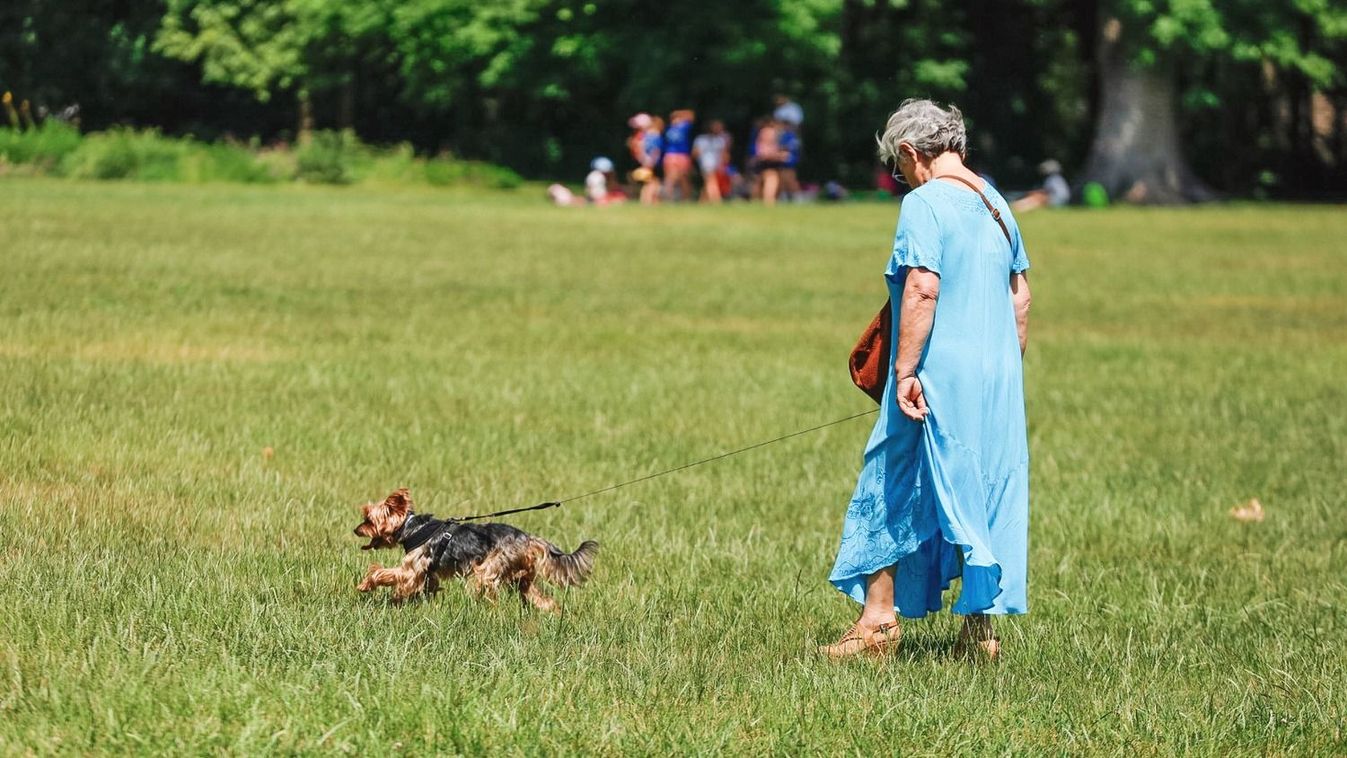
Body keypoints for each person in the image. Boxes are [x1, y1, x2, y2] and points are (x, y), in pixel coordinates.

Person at [821, 99, 1033, 661]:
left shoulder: (924, 202)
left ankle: (877, 624)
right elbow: (1020, 297)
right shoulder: (996, 202)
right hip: (997, 376)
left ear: (912, 152)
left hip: (937, 370)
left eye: (899, 167)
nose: (903, 177)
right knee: (980, 488)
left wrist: (905, 370)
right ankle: (980, 635)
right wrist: (1002, 370)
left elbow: (922, 286)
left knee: (891, 477)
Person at [692, 119, 732, 203]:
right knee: (711, 181)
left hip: (711, 164)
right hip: (709, 164)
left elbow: (695, 153)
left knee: (709, 182)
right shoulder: (705, 139)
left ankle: (705, 201)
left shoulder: (716, 140)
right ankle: (714, 200)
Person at [662, 109, 696, 202]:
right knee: (671, 177)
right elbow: (691, 116)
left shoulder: (681, 127)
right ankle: (669, 197)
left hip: (679, 155)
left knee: (683, 177)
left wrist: (678, 114)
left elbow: (691, 116)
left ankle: (685, 198)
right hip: (674, 155)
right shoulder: (672, 128)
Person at [752, 119, 788, 205]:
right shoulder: (769, 132)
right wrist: (779, 156)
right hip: (768, 162)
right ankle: (769, 201)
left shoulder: (766, 132)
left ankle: (759, 201)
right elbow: (764, 151)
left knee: (760, 183)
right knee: (771, 179)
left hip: (767, 161)